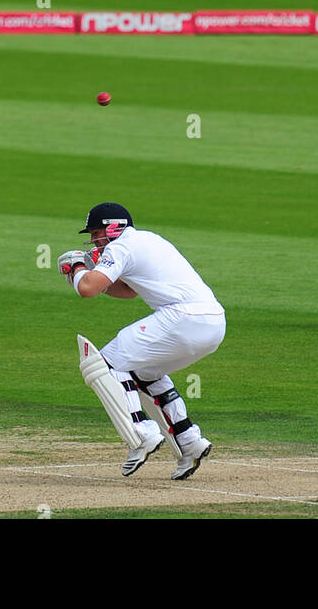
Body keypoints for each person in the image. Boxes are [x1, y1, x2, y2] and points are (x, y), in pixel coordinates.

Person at [58, 201, 225, 479]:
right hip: (213, 323)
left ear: (113, 227)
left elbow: (87, 289)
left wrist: (75, 269)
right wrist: (86, 272)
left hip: (183, 319)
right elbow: (128, 291)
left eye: (96, 232)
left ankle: (141, 433)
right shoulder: (148, 239)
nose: (93, 240)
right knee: (144, 373)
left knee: (104, 364)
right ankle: (189, 441)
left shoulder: (120, 247)